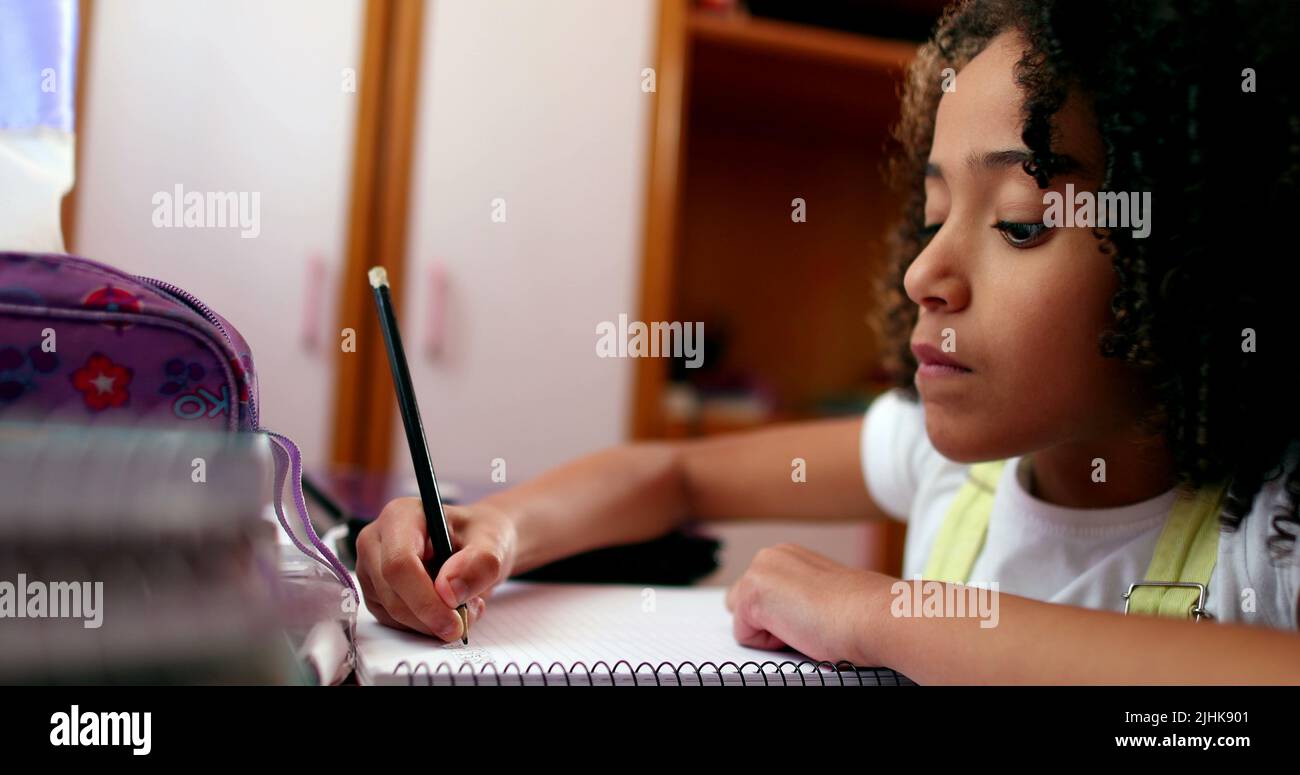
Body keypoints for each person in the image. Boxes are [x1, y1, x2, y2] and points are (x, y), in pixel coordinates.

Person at [356, 0, 1300, 683]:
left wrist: (882, 613)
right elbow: (677, 478)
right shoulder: (941, 463)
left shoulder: (1266, 535)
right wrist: (505, 526)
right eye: (932, 215)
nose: (924, 272)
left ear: (1198, 254)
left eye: (1019, 222)